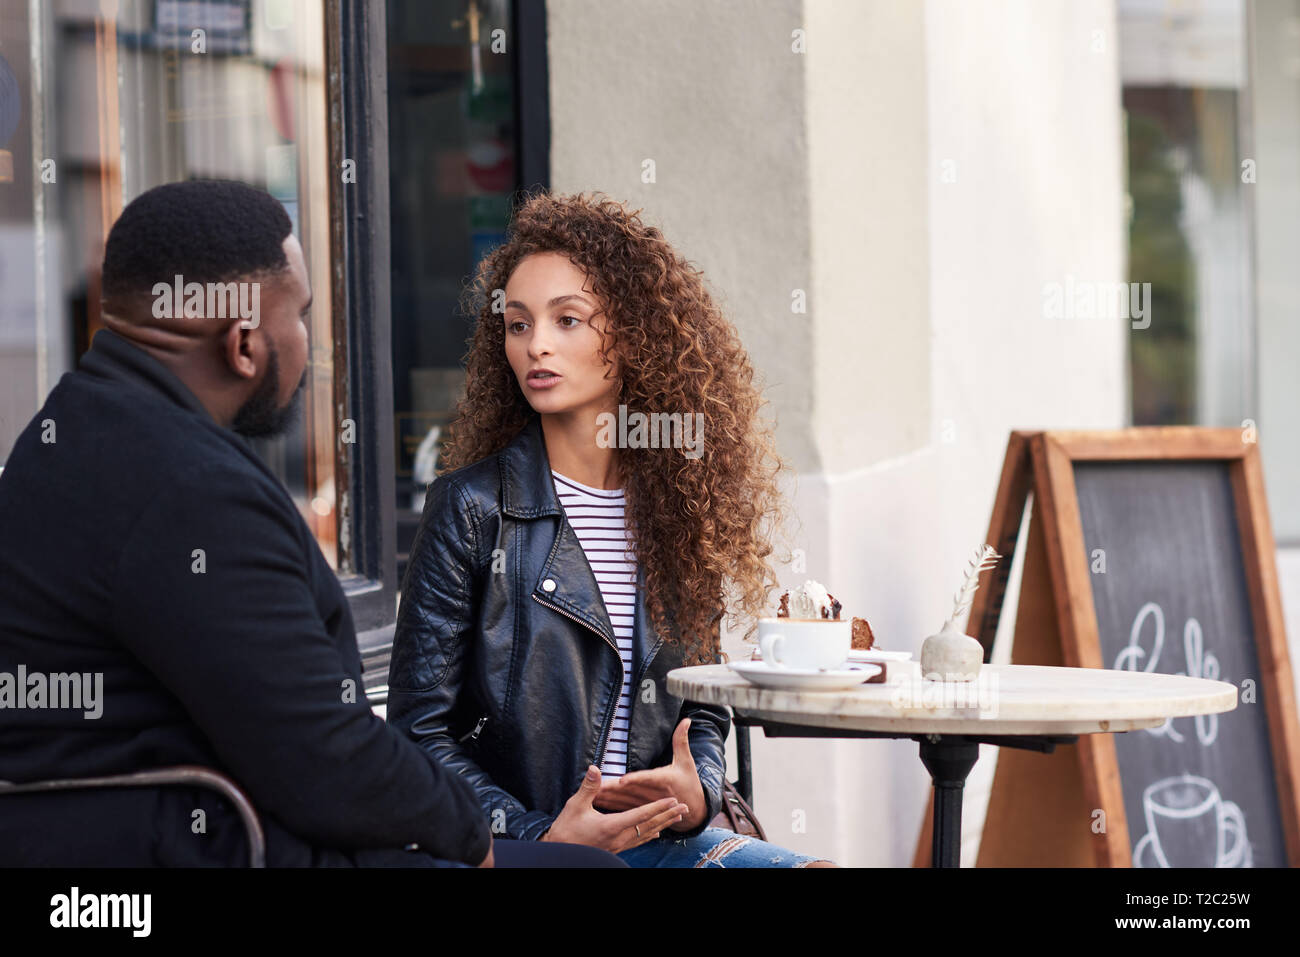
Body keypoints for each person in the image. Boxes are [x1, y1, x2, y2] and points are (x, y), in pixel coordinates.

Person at [0, 179, 621, 868]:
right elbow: (324, 755)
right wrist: (471, 835)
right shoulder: (192, 491)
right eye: (299, 315)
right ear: (243, 343)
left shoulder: (63, 434)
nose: (309, 341)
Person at [388, 191, 837, 867]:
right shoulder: (471, 509)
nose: (536, 342)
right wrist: (538, 833)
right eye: (517, 324)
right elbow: (418, 732)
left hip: (657, 844)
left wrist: (698, 787)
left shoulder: (678, 511)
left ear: (632, 336)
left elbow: (703, 709)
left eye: (567, 319)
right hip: (524, 849)